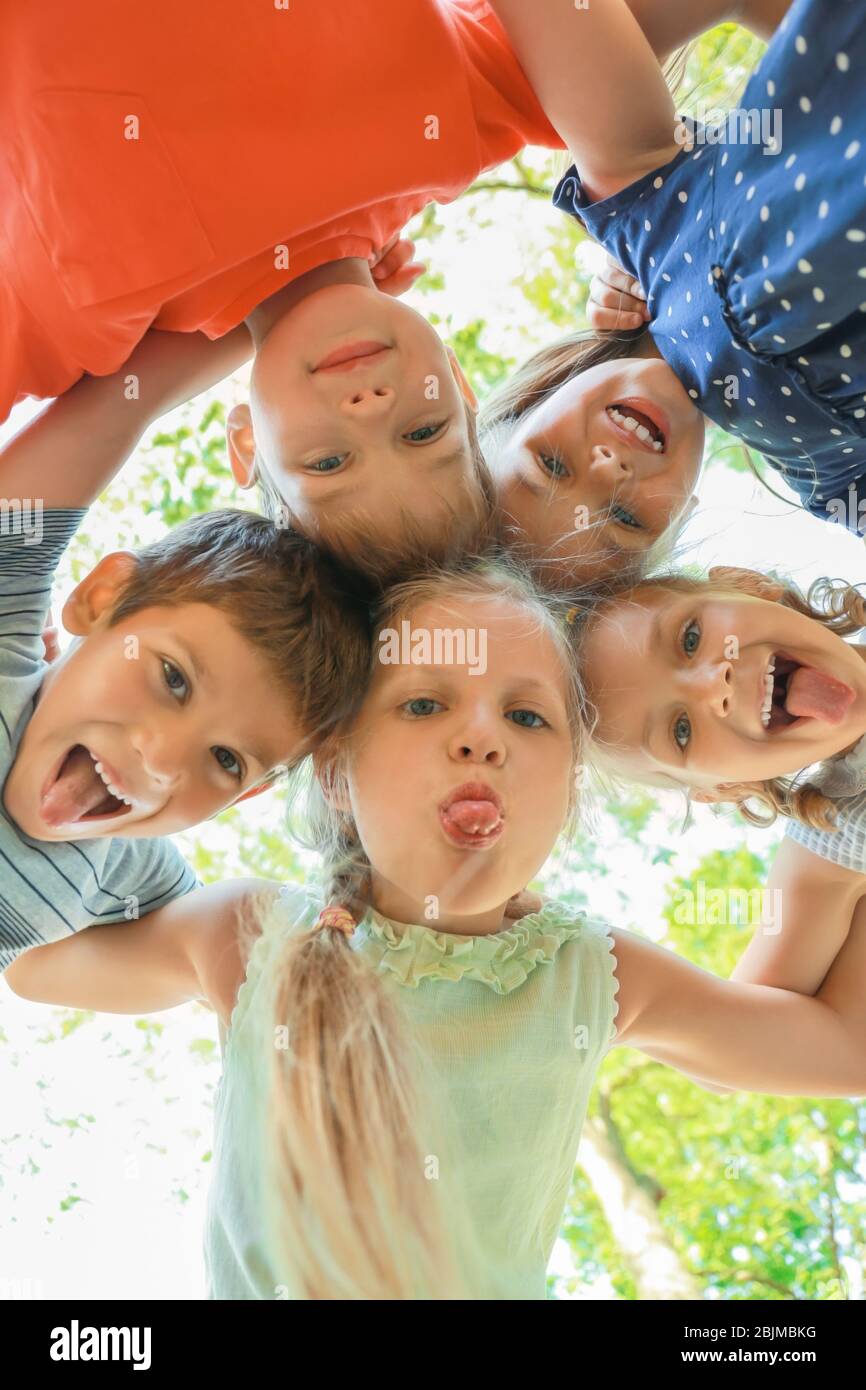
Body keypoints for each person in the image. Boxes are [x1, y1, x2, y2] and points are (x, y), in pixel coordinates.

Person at [8, 556, 866, 1299]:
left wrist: (845, 816)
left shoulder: (586, 973)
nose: (482, 738)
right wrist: (50, 716)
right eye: (424, 705)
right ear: (337, 771)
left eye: (529, 718)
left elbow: (840, 1047)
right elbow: (35, 964)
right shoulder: (250, 933)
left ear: (567, 797)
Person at [0, 328, 370, 969]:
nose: (166, 763)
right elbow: (125, 400)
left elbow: (224, 962)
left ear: (244, 797)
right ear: (103, 597)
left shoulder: (134, 878)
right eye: (173, 678)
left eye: (226, 759)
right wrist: (270, 313)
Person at [556, 0, 866, 536]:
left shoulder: (641, 211)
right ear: (684, 513)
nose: (608, 472)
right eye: (626, 519)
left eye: (552, 464)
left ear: (538, 398)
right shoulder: (834, 482)